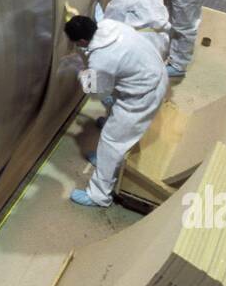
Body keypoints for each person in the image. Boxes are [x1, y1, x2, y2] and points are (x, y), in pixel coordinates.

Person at [64, 15, 167, 208]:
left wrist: (80, 70)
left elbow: (96, 92)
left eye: (76, 44)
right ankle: (113, 143)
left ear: (82, 41)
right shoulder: (111, 25)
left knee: (111, 142)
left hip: (143, 95)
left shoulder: (101, 59)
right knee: (114, 109)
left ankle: (99, 196)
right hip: (153, 73)